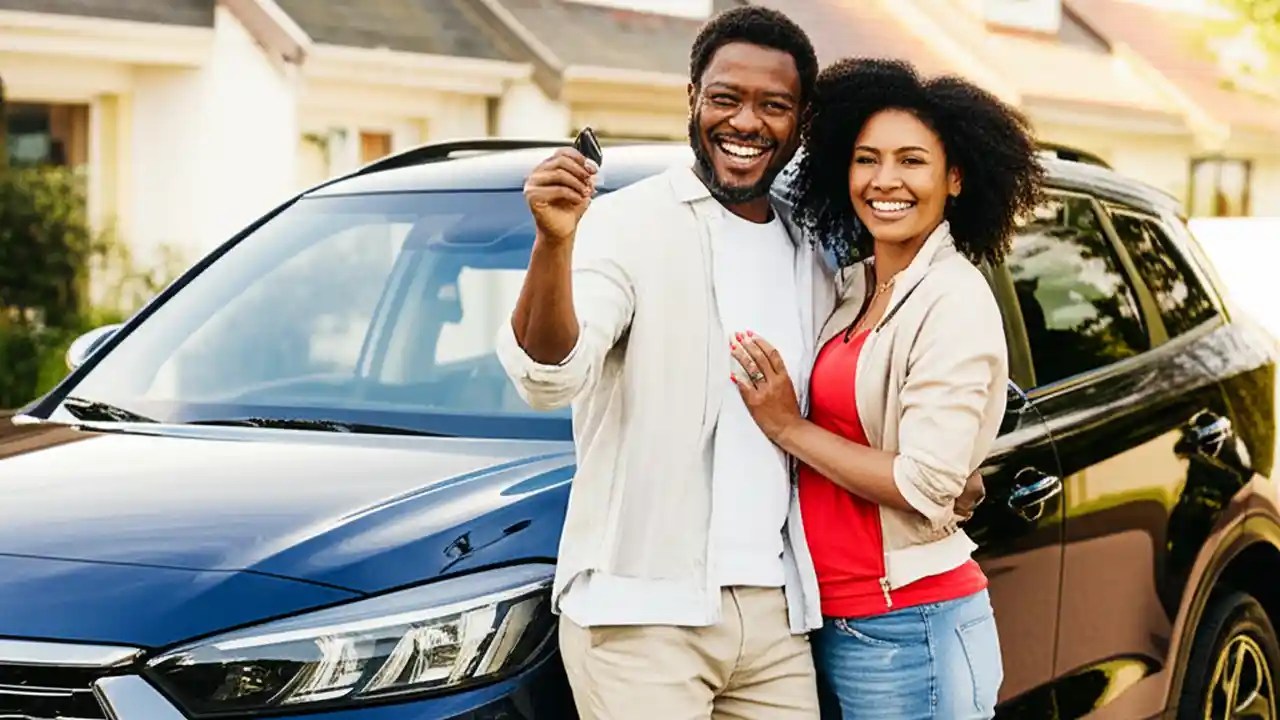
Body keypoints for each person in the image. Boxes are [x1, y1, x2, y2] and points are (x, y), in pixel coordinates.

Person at [496, 6, 831, 719]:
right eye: (726, 98)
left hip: (778, 613)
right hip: (639, 616)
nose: (746, 122)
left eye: (774, 106)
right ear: (693, 98)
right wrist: (553, 244)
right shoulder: (626, 223)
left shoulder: (812, 250)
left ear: (801, 120)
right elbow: (550, 375)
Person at [728, 58, 1044, 719]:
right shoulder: (852, 287)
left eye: (912, 161)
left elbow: (924, 482)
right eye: (866, 159)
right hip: (829, 619)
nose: (885, 180)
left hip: (909, 627)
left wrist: (787, 427)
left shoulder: (952, 300)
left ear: (955, 178)